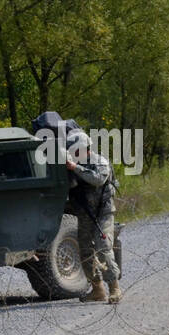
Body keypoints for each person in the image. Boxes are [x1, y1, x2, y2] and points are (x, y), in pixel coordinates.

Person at [65, 130, 121, 304]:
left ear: (84, 148)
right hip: (85, 214)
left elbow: (97, 179)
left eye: (75, 150)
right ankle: (97, 289)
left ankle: (114, 288)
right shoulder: (72, 165)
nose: (73, 154)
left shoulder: (99, 162)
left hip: (103, 212)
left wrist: (76, 168)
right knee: (85, 251)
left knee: (103, 247)